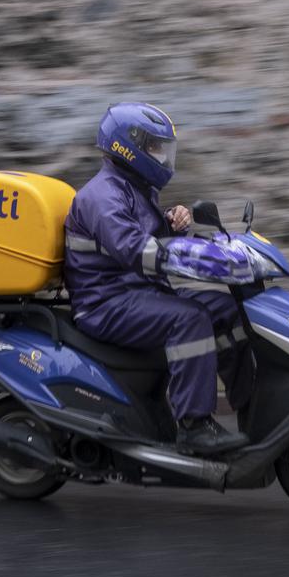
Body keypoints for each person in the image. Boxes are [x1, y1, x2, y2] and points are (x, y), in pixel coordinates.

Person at [63, 102, 252, 455]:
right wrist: (198, 258)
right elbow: (134, 249)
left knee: (224, 308)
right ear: (127, 146)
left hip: (136, 291)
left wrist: (171, 221)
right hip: (105, 302)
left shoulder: (135, 186)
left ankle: (251, 406)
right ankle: (194, 427)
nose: (162, 155)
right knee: (190, 319)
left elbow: (146, 234)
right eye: (154, 147)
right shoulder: (103, 195)